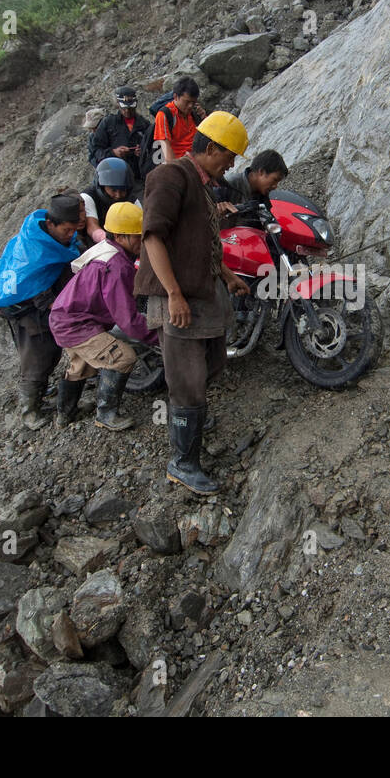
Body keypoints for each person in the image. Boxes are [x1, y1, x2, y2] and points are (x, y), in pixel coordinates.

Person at [135, 111, 251, 495]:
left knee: (213, 362)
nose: (231, 164)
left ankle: (191, 418)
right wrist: (172, 294)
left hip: (200, 291)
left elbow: (203, 244)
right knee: (187, 379)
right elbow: (152, 237)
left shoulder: (202, 185)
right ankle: (182, 462)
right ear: (211, 147)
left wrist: (227, 275)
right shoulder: (170, 176)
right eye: (229, 155)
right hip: (178, 295)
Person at [0, 193, 83, 430]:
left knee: (52, 351)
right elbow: (30, 282)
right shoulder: (32, 248)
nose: (70, 235)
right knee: (37, 356)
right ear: (51, 224)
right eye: (66, 230)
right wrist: (60, 306)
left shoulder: (57, 240)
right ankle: (29, 411)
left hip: (47, 306)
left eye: (73, 230)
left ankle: (40, 396)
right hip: (26, 308)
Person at [49, 202, 159, 429]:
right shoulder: (117, 265)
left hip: (65, 316)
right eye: (136, 236)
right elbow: (127, 319)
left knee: (82, 366)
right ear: (119, 236)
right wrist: (160, 335)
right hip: (76, 324)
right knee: (123, 357)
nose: (142, 241)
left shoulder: (107, 249)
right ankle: (106, 414)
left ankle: (65, 414)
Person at [88, 86, 151, 174]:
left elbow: (153, 150)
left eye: (130, 108)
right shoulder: (108, 123)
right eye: (124, 108)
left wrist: (142, 152)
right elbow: (96, 151)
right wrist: (113, 153)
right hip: (113, 174)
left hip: (139, 175)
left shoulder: (144, 124)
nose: (127, 111)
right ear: (118, 104)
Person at [214, 149, 289, 219]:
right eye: (275, 180)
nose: (275, 186)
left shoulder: (262, 193)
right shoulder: (226, 185)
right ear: (261, 172)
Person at [149, 77, 205, 169]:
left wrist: (204, 118)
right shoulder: (165, 114)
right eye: (186, 102)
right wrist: (176, 170)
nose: (190, 106)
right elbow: (165, 146)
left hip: (198, 161)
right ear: (175, 97)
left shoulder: (195, 113)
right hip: (181, 164)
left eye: (193, 102)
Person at [80, 157, 134, 243]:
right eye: (113, 190)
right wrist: (109, 241)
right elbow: (92, 227)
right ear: (102, 186)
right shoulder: (88, 197)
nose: (118, 195)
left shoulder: (132, 199)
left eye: (122, 190)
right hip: (97, 244)